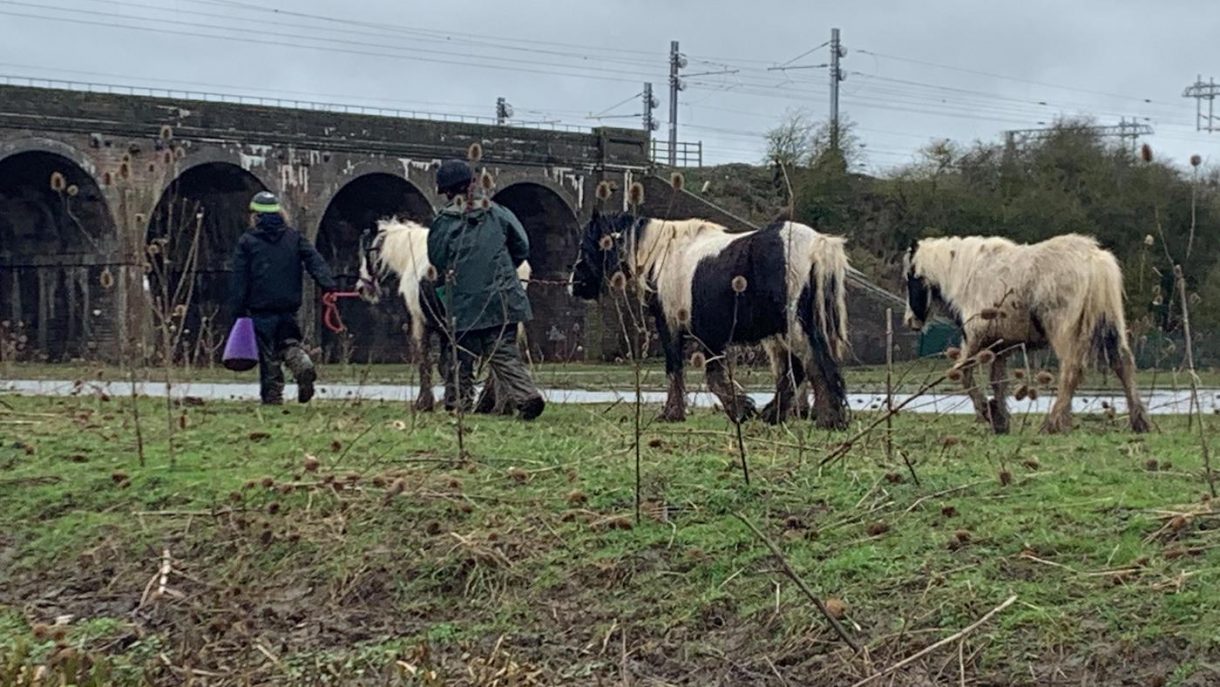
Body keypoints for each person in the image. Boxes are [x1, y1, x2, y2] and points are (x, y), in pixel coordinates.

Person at [427, 159, 545, 420]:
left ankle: (458, 404)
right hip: (503, 296)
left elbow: (437, 258)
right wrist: (501, 270)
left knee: (460, 355)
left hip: (463, 301)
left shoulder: (443, 222)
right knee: (503, 353)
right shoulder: (498, 212)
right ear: (473, 183)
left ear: (446, 191)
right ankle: (527, 397)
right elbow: (522, 246)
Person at [228, 191, 337, 405]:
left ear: (255, 215)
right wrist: (328, 285)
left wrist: (237, 309)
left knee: (268, 354)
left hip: (260, 308)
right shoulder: (294, 237)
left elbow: (239, 278)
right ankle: (301, 364)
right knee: (288, 342)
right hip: (289, 305)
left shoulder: (247, 241)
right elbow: (315, 261)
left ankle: (272, 396)